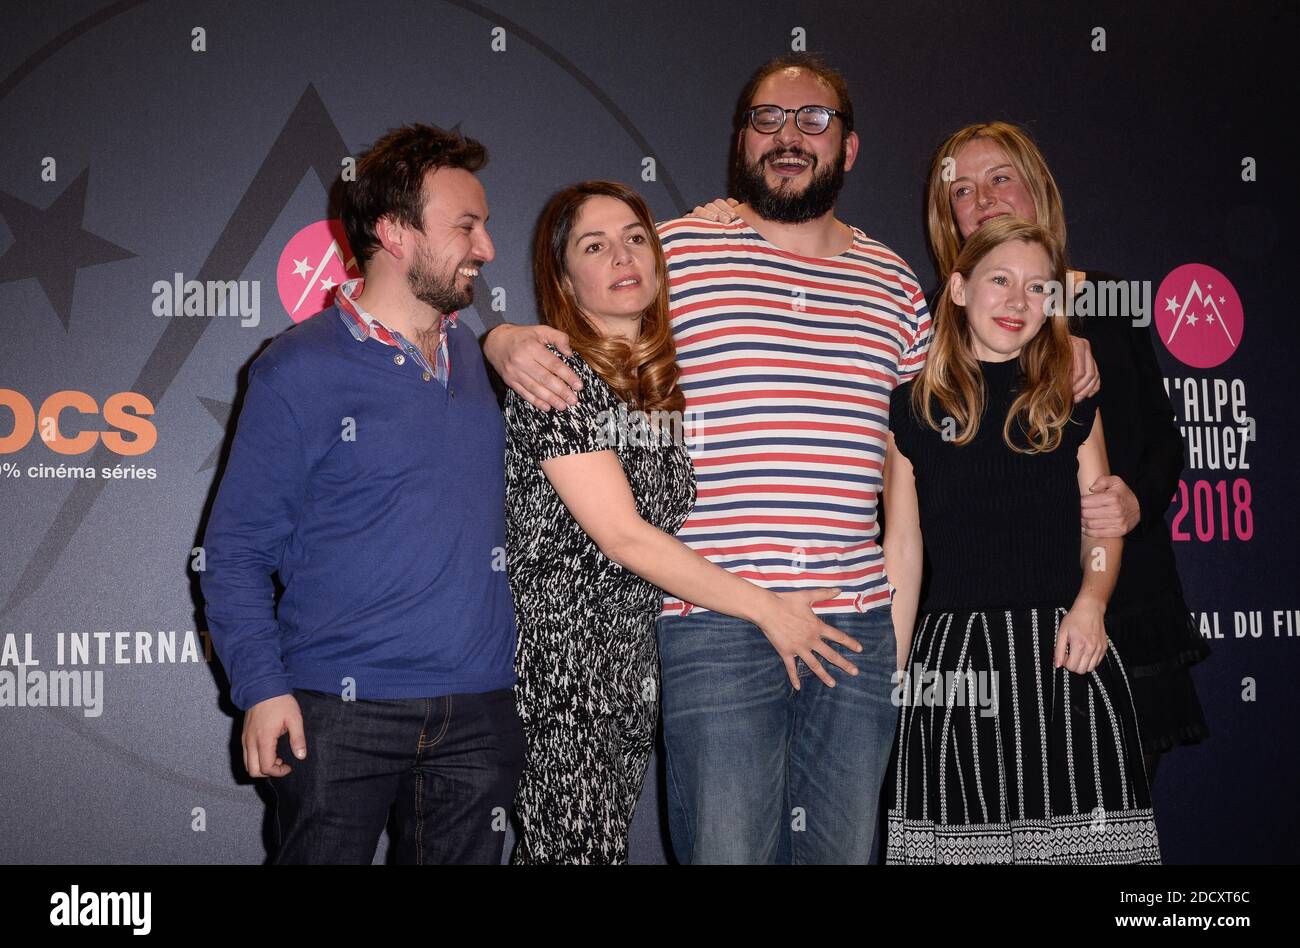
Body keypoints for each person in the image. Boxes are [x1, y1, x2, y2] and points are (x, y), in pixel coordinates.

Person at [486, 55, 1098, 864]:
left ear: (848, 150)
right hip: (716, 625)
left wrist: (1064, 333)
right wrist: (501, 340)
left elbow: (935, 439)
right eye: (768, 120)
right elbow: (585, 321)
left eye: (814, 120)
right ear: (743, 144)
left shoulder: (892, 283)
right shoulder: (675, 253)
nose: (788, 135)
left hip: (857, 631)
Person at [506, 181, 860, 864]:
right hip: (565, 674)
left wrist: (721, 220)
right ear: (565, 279)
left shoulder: (655, 387)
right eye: (594, 245)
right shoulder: (556, 375)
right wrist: (769, 610)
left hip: (631, 666)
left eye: (636, 238)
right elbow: (624, 535)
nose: (622, 255)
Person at [200, 124, 524, 864]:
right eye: (467, 225)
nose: (487, 247)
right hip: (337, 716)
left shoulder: (483, 361)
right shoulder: (295, 369)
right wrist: (261, 687)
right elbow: (237, 551)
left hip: (479, 712)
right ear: (394, 232)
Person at [926, 121, 1209, 782]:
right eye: (962, 190)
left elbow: (1164, 439)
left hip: (1122, 599)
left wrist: (1134, 501)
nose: (984, 197)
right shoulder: (939, 324)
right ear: (949, 218)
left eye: (1000, 177)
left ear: (1037, 188)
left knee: (1112, 822)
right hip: (991, 621)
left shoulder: (1109, 300)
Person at [882, 216, 1160, 864]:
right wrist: (894, 679)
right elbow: (902, 548)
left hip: (1066, 654)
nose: (1017, 301)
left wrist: (1092, 600)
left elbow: (1101, 521)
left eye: (1038, 287)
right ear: (957, 288)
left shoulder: (1070, 399)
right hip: (952, 667)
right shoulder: (910, 410)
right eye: (999, 280)